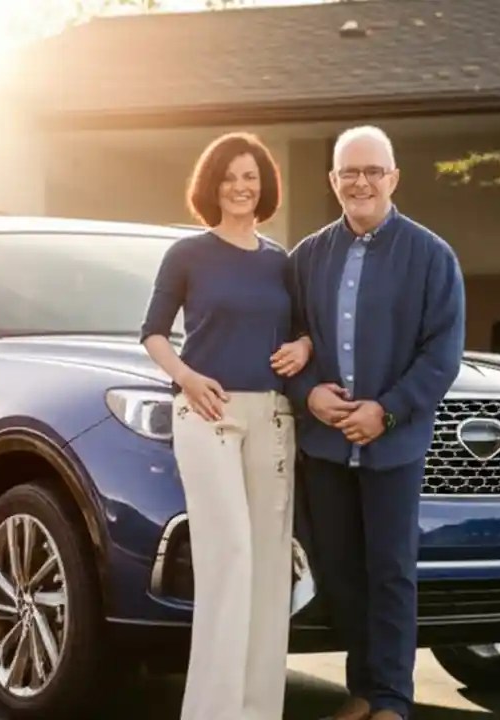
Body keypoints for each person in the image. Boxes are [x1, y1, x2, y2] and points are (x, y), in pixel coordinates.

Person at [285, 126, 466, 720]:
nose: (360, 182)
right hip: (326, 449)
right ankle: (362, 689)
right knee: (341, 573)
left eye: (372, 171)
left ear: (393, 178)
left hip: (394, 446)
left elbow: (441, 354)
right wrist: (308, 395)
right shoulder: (307, 257)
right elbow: (285, 344)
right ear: (332, 181)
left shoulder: (433, 256)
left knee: (390, 572)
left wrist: (385, 410)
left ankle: (391, 697)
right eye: (348, 173)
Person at [140, 131, 312, 720]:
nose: (241, 188)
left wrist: (305, 347)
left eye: (251, 179)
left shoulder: (280, 262)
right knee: (231, 556)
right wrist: (186, 378)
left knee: (268, 569)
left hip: (271, 416)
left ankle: (260, 711)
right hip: (207, 414)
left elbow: (302, 329)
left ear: (263, 189)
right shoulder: (187, 254)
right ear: (211, 185)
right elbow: (154, 333)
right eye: (230, 177)